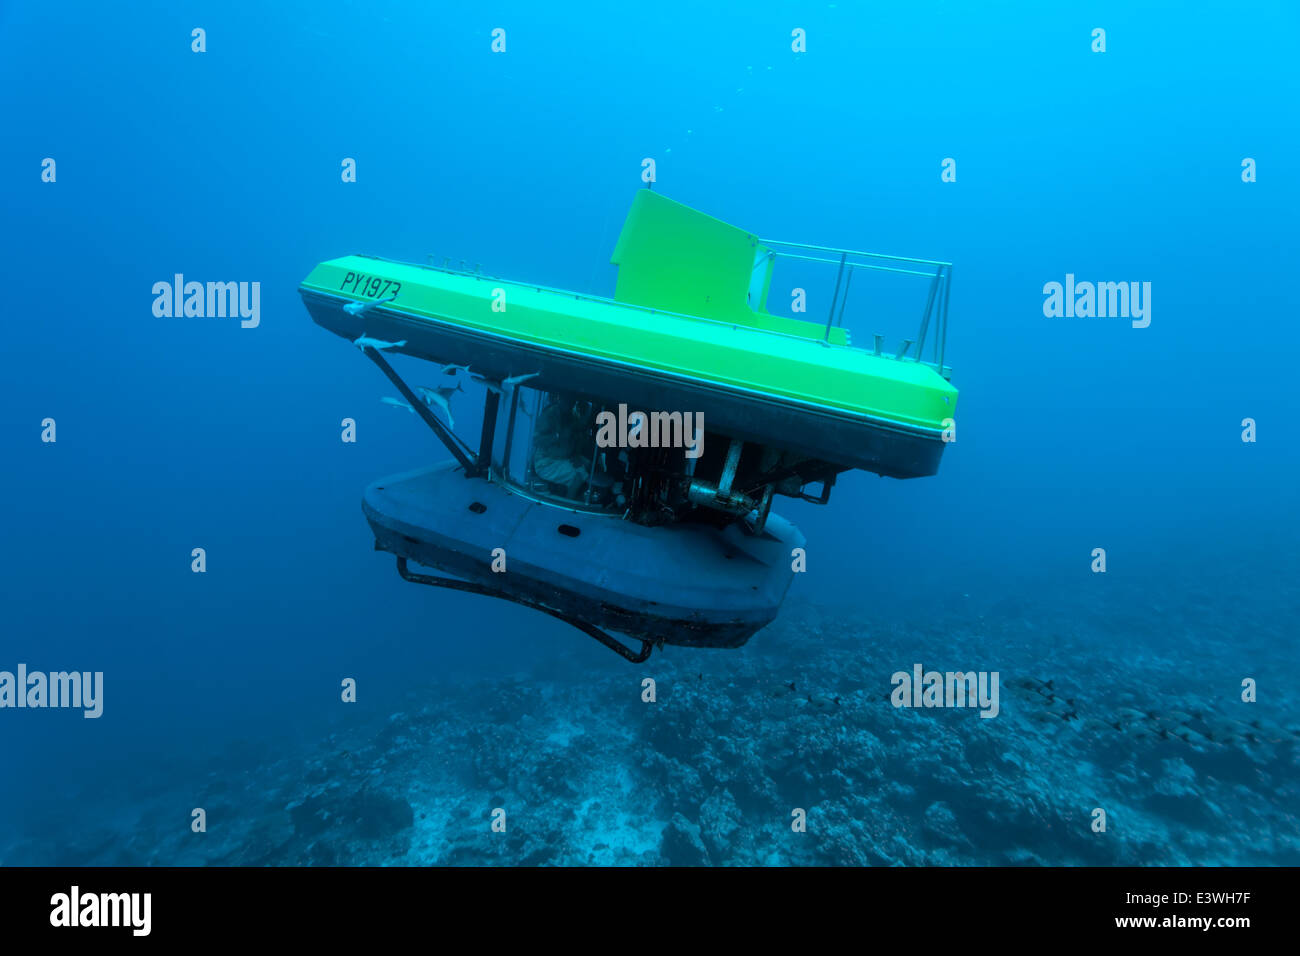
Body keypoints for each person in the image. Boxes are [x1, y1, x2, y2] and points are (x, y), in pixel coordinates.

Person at [532, 393, 594, 498]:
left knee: (588, 465)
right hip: (546, 462)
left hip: (564, 458)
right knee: (578, 475)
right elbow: (536, 440)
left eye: (573, 401)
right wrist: (557, 436)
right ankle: (569, 502)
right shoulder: (549, 415)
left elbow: (576, 432)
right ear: (560, 398)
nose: (571, 404)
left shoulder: (571, 415)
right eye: (568, 400)